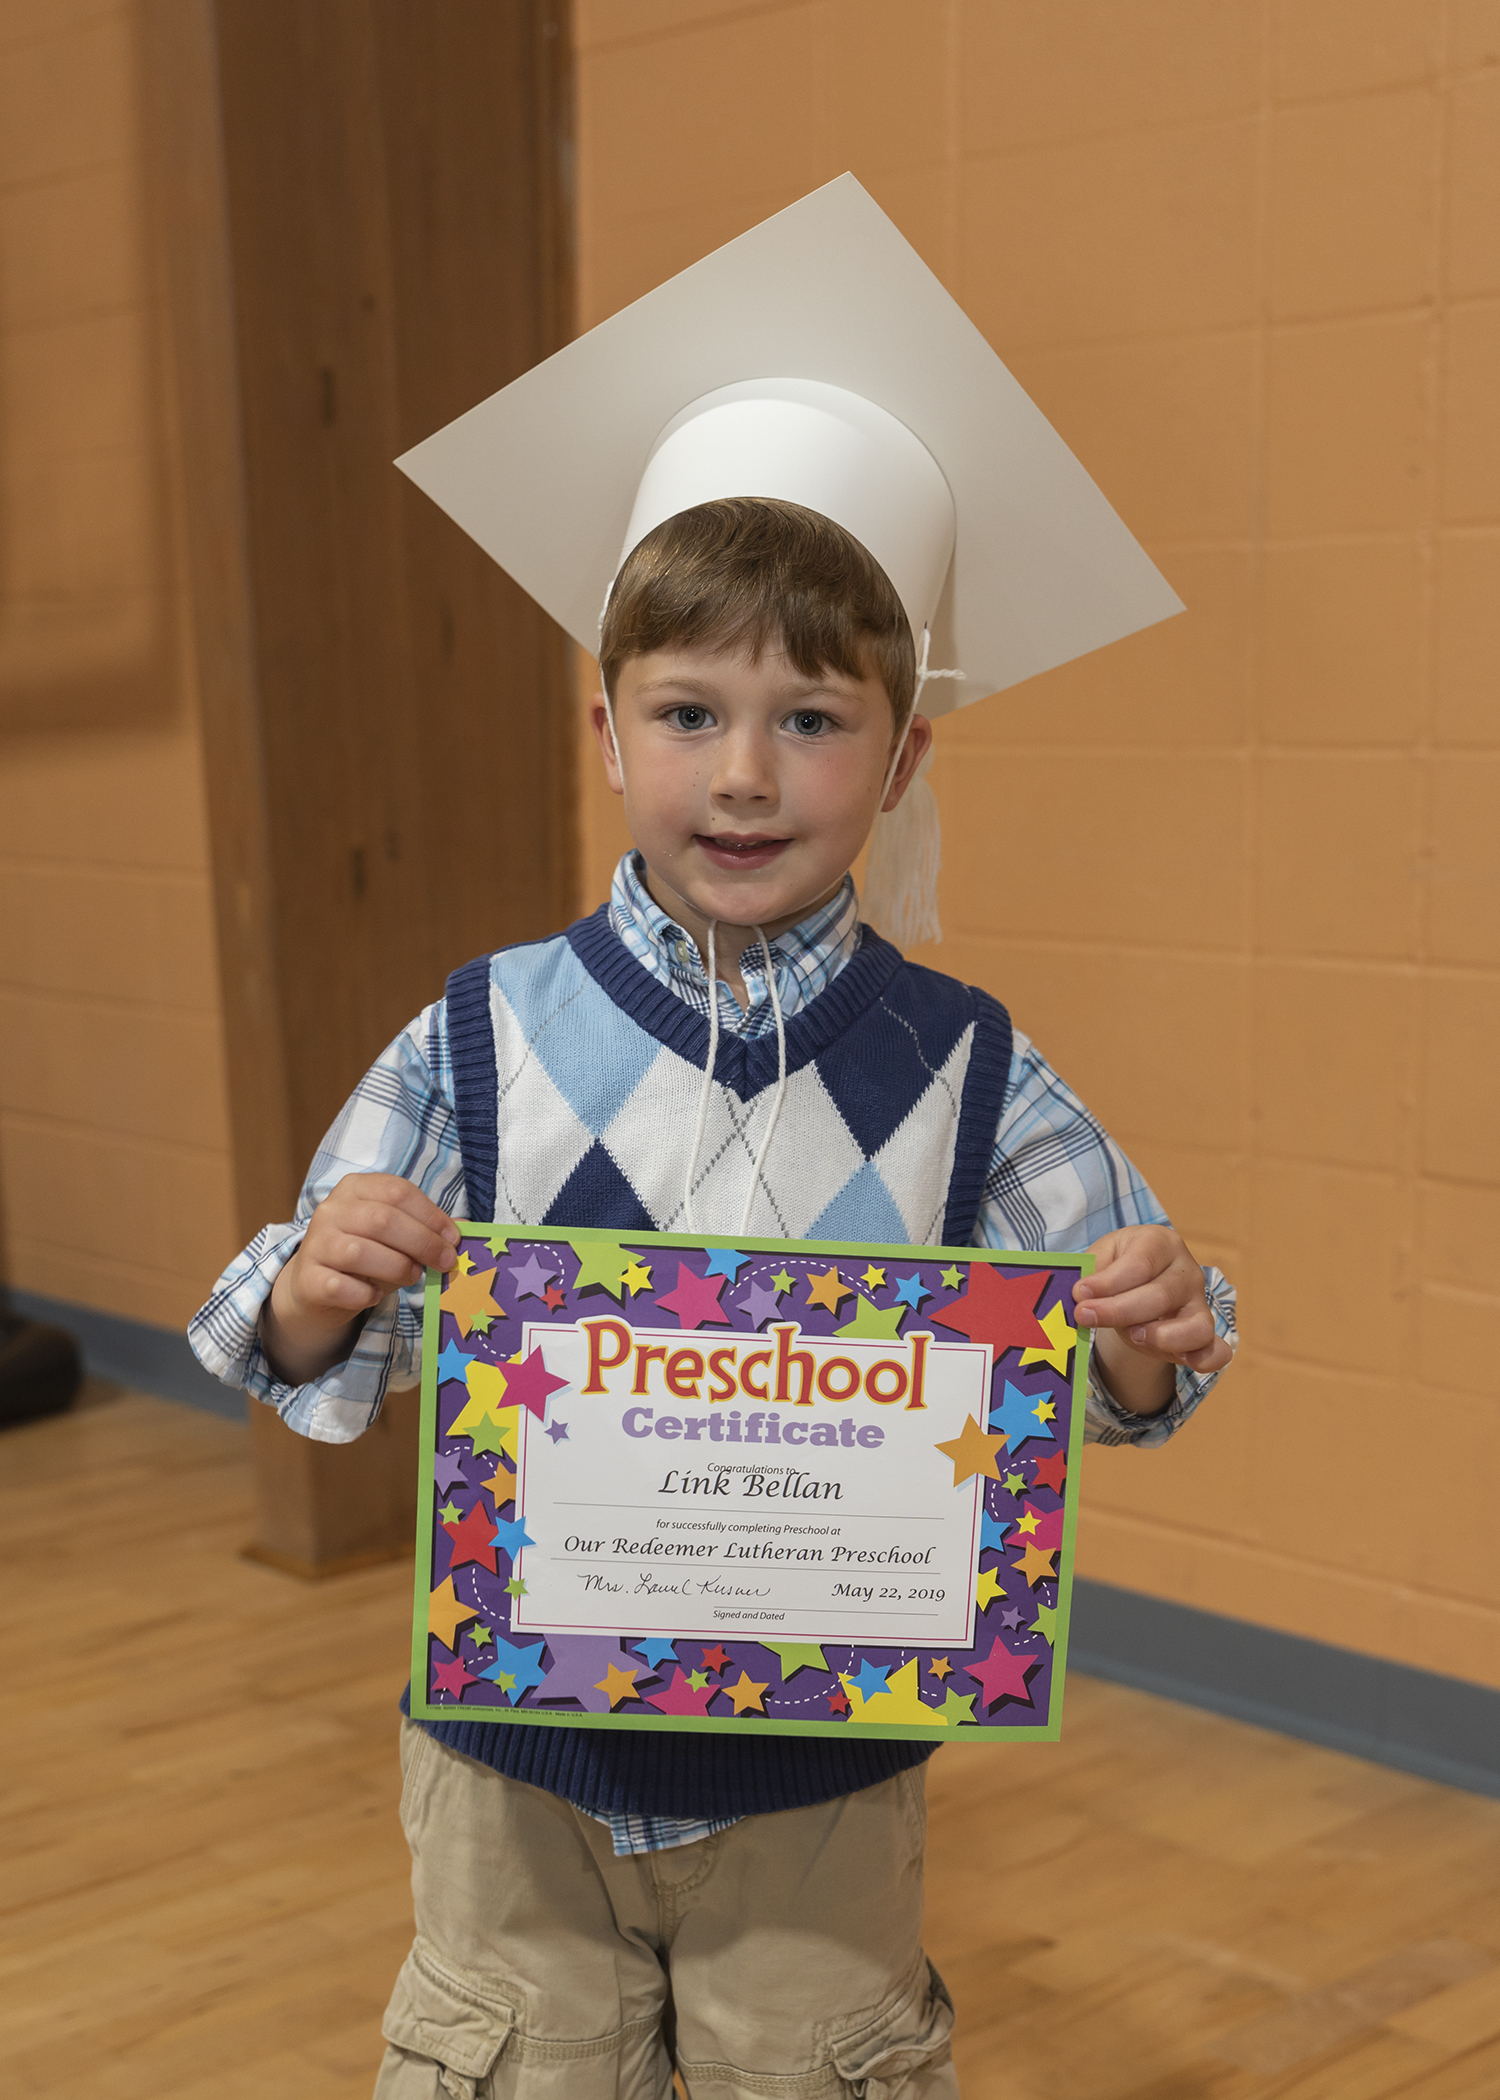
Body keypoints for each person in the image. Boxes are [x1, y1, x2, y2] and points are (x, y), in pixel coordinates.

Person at [191, 181, 1236, 2099]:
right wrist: (324, 1288)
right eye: (687, 711)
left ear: (902, 755)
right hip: (515, 1771)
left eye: (812, 720)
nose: (745, 774)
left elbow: (1126, 1353)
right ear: (606, 732)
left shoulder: (968, 1066)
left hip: (818, 1787)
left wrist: (1148, 1325)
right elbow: (294, 1322)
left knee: (814, 2067)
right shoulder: (484, 1033)